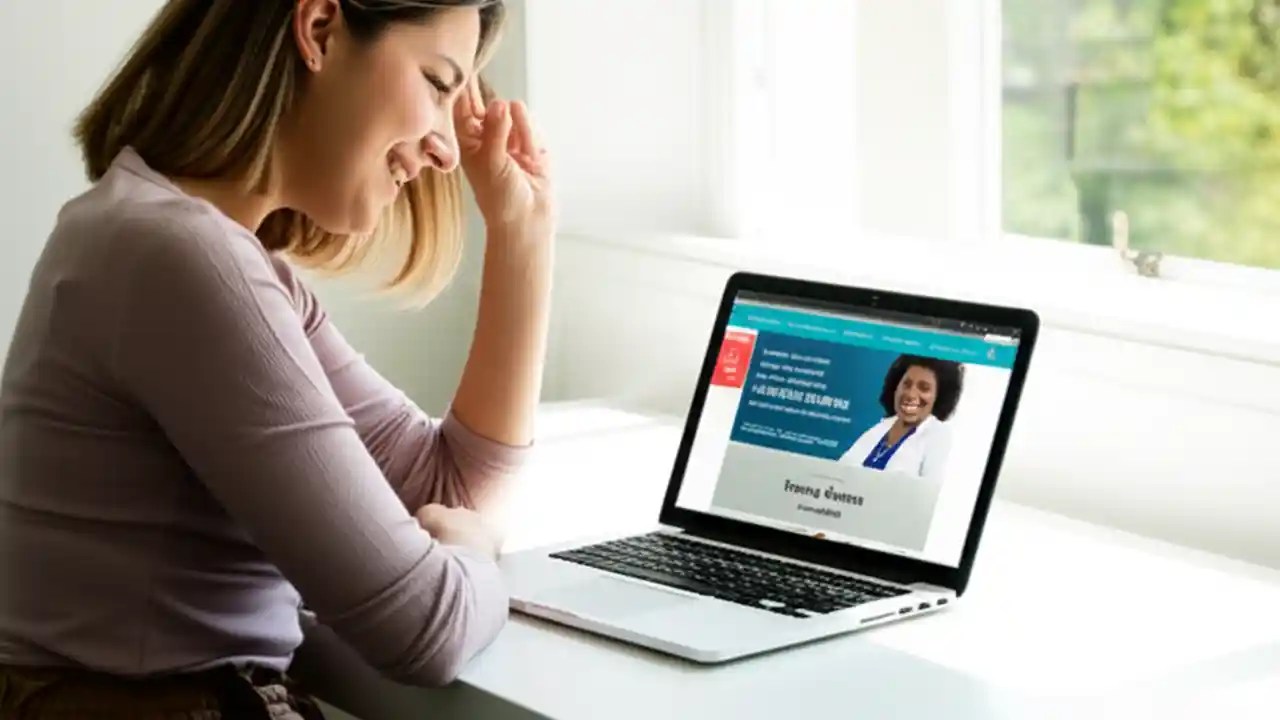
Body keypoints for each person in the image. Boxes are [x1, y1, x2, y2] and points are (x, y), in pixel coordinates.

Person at [0, 0, 554, 716]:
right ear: (319, 30)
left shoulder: (182, 242)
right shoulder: (182, 258)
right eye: (436, 83)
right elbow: (422, 627)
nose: (448, 147)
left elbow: (446, 484)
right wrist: (477, 554)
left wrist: (521, 231)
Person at [839, 355, 964, 480]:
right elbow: (840, 471)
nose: (911, 394)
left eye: (924, 388)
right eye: (907, 384)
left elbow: (931, 492)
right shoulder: (880, 428)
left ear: (939, 396)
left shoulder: (939, 435)